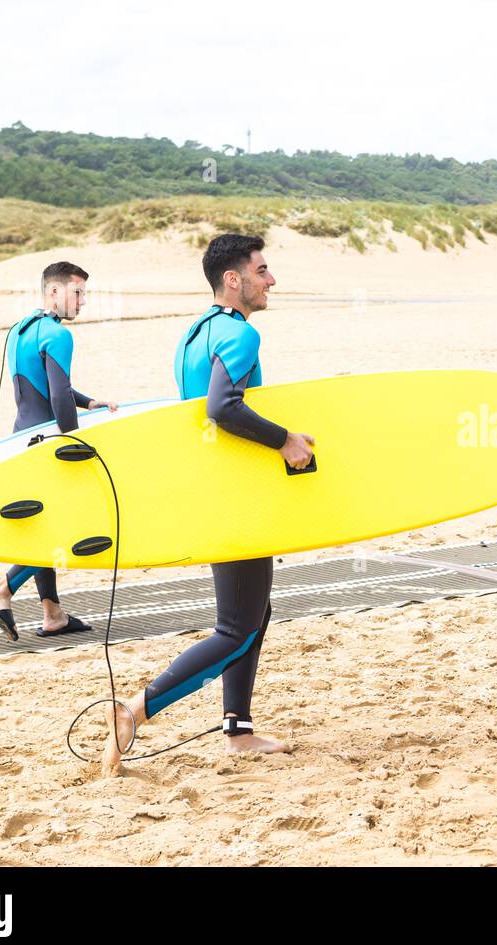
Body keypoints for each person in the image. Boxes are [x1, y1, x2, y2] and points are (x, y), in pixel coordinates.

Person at [102, 234, 314, 775]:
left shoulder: (194, 334)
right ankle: (136, 709)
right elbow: (223, 408)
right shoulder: (239, 335)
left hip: (213, 491)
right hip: (234, 500)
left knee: (251, 614)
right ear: (234, 279)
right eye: (263, 271)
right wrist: (285, 439)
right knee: (236, 627)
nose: (272, 281)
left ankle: (237, 729)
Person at [0, 261, 118, 640]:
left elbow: (43, 386)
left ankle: (52, 614)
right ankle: (2, 589)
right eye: (78, 292)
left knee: (42, 523)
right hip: (46, 442)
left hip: (21, 437)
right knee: (64, 523)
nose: (83, 301)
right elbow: (57, 395)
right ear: (54, 292)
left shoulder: (22, 329)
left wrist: (89, 404)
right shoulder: (58, 335)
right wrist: (75, 439)